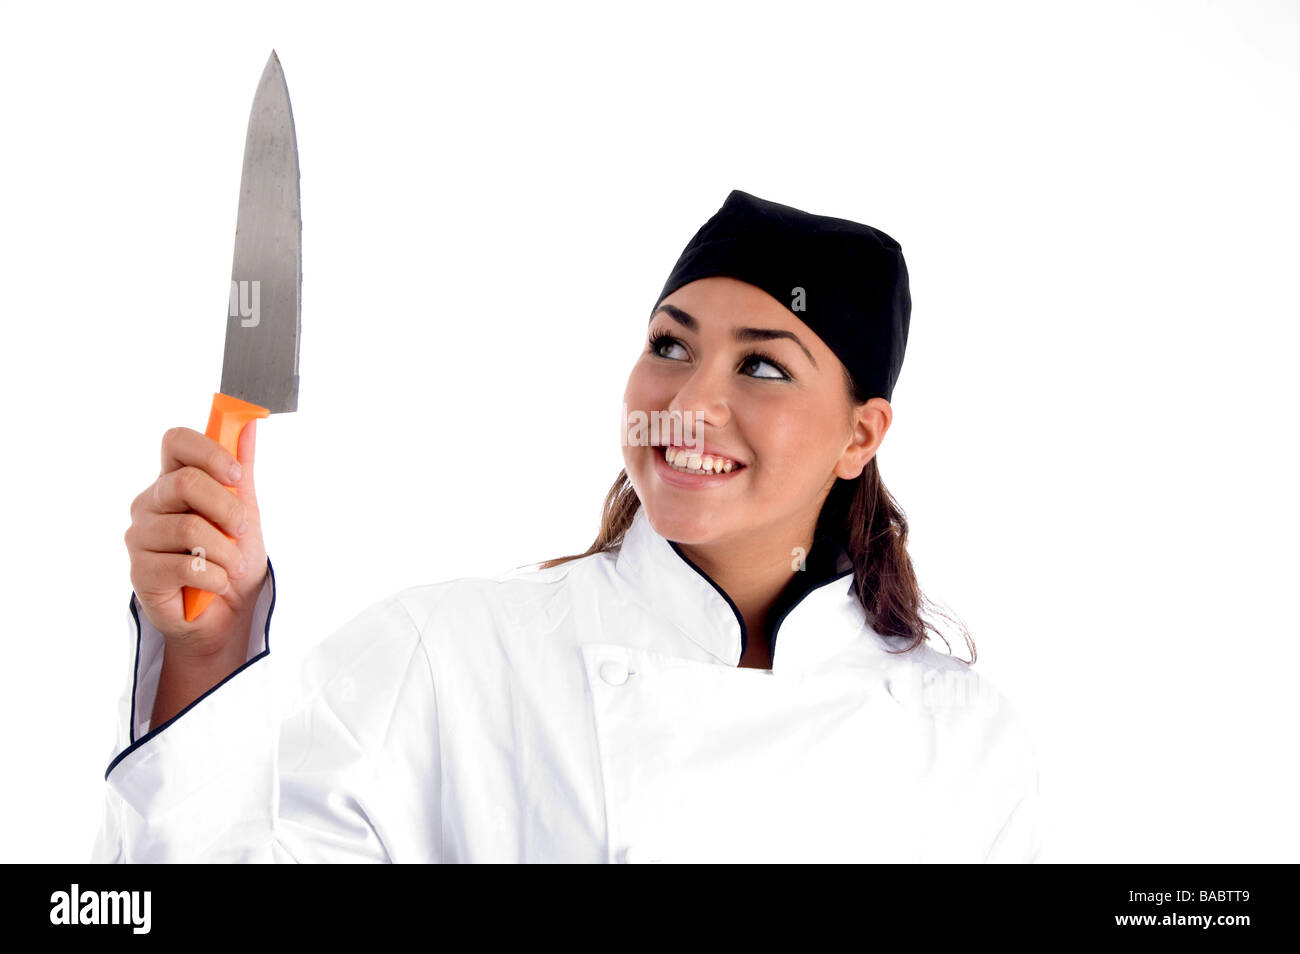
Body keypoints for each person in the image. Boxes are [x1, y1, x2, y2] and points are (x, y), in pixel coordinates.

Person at [95, 189, 1042, 863]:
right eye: (670, 346)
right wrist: (206, 657)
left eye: (762, 368)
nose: (691, 403)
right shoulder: (445, 657)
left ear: (859, 435)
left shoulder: (960, 739)